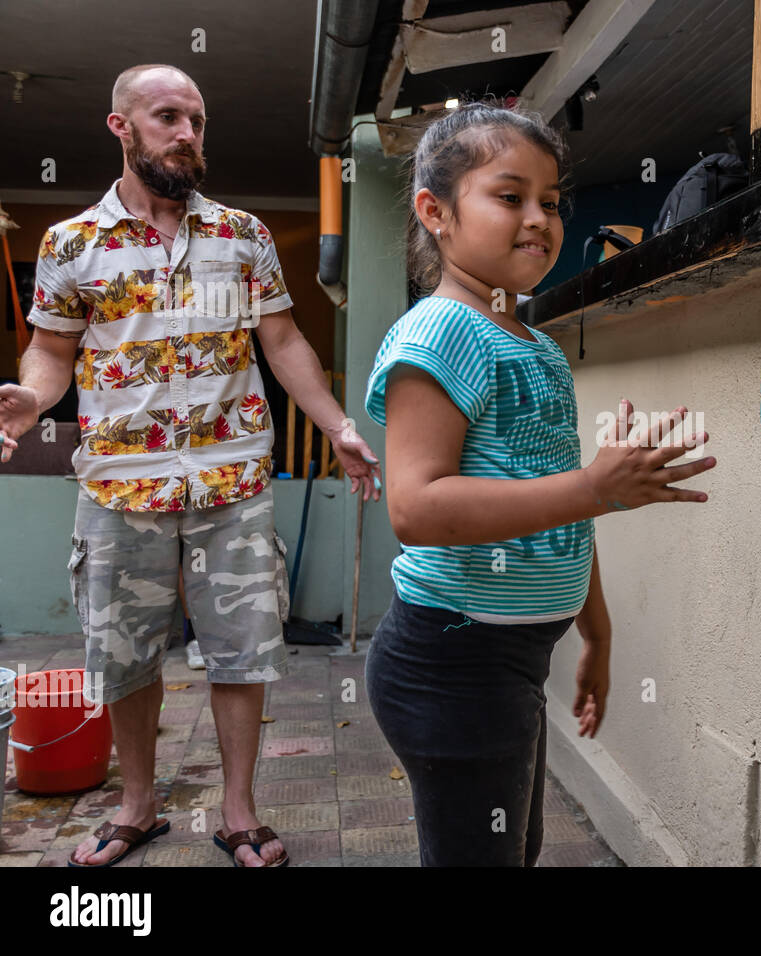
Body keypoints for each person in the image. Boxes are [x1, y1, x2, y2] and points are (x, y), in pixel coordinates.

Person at [0, 64, 381, 867]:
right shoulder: (72, 243)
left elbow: (283, 344)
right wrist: (32, 402)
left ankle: (239, 812)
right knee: (126, 652)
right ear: (121, 126)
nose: (187, 134)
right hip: (118, 484)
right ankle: (137, 807)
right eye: (168, 116)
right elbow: (50, 352)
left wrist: (338, 424)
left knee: (242, 648)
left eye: (197, 120)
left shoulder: (242, 234)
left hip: (231, 478)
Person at [362, 100, 717, 866]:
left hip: (515, 662)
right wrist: (591, 489)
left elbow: (558, 508)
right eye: (509, 195)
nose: (539, 219)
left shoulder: (535, 345)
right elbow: (416, 509)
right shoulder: (441, 332)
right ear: (436, 212)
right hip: (451, 665)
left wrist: (597, 633)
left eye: (551, 202)